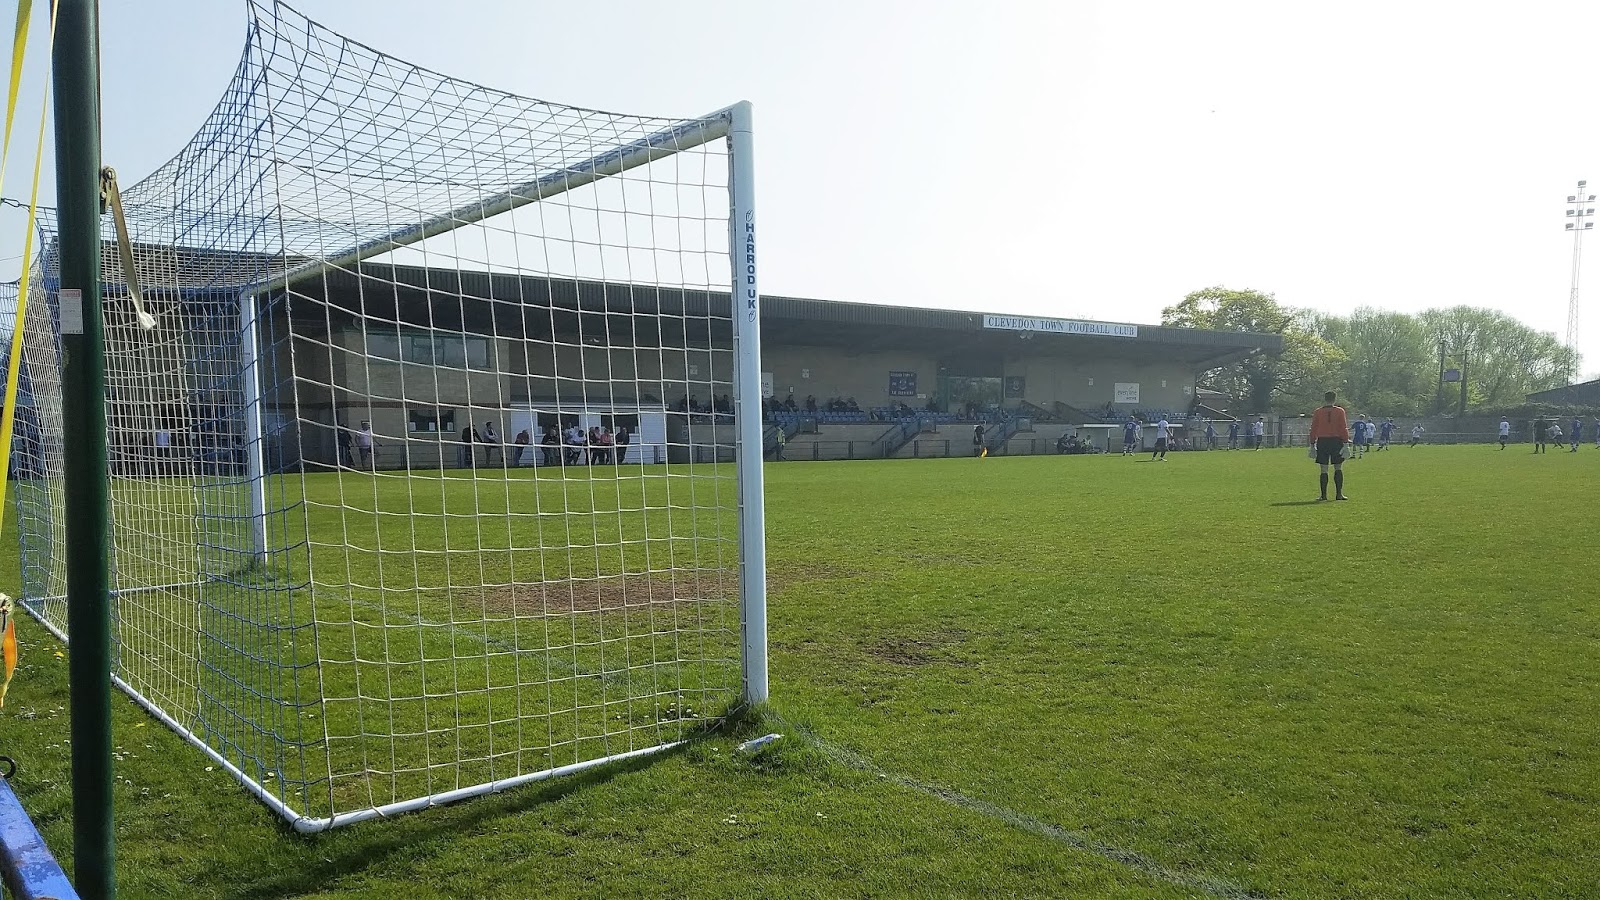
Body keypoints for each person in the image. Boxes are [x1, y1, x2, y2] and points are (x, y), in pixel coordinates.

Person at [1309, 391, 1351, 501]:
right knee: (1338, 467)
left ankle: (1323, 495)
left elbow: (1313, 428)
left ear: (1325, 398)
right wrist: (1346, 442)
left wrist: (1312, 443)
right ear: (1335, 399)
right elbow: (1343, 427)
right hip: (1336, 441)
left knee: (1324, 469)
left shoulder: (1318, 412)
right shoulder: (1340, 411)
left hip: (1322, 441)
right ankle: (1339, 494)